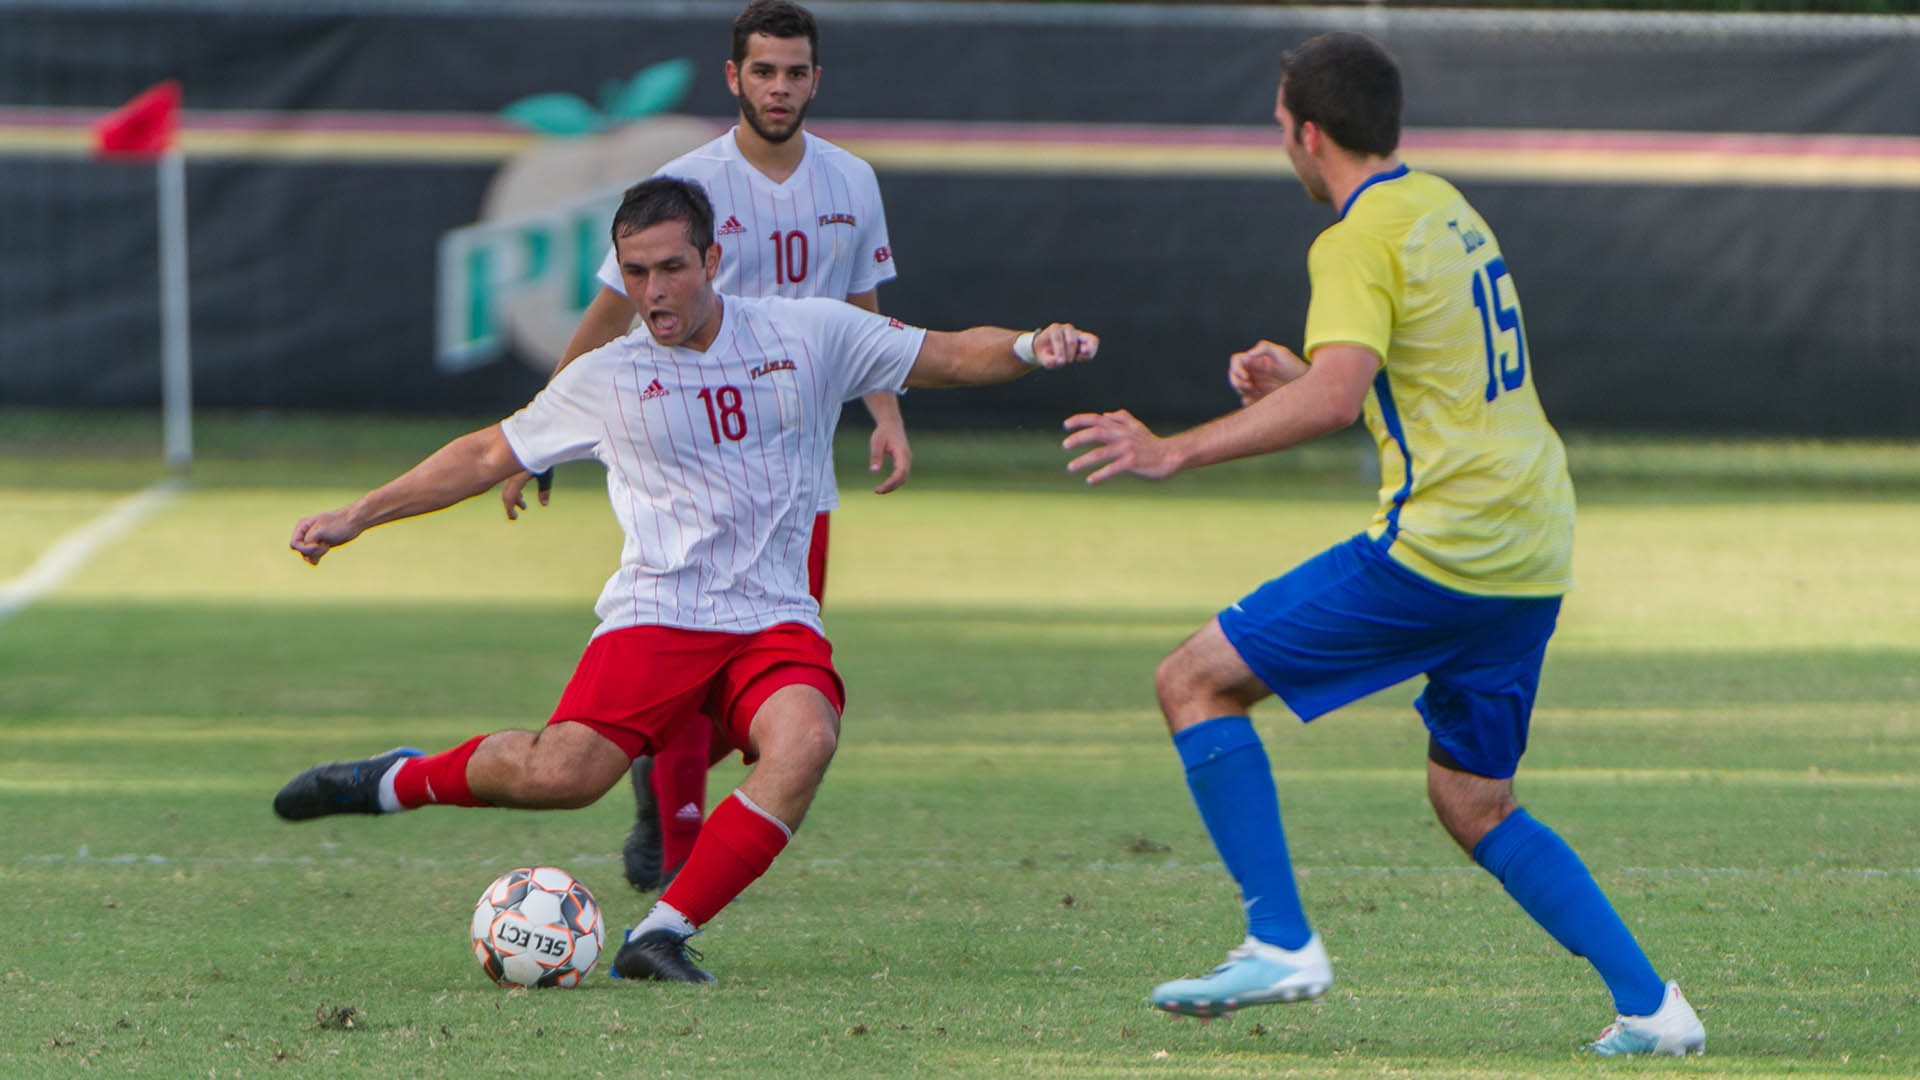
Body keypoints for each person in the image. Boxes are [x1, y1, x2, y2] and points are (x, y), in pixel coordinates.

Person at [276, 176, 1097, 984]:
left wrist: (1031, 346)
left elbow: (950, 354)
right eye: (634, 272)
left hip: (773, 615)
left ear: (712, 259)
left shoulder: (807, 332)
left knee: (807, 736)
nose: (652, 290)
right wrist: (361, 514)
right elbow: (488, 453)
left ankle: (661, 932)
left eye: (671, 267)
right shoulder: (610, 375)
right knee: (560, 778)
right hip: (659, 613)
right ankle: (395, 780)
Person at [1060, 32, 1703, 1057]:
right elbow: (1426, 377)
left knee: (1194, 680)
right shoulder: (1443, 204)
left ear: (1310, 133)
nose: (1282, 142)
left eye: (1280, 126)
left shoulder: (1353, 238)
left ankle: (1279, 940)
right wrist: (1311, 375)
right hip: (1532, 545)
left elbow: (1343, 390)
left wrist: (1173, 452)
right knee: (1472, 798)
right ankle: (1652, 1007)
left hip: (1448, 551)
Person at [498, 0, 908, 896]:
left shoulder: (853, 182)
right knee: (690, 640)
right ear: (734, 78)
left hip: (795, 479)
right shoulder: (688, 182)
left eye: (795, 71)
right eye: (763, 70)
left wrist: (886, 410)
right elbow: (611, 315)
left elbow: (863, 315)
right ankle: (673, 850)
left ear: (815, 80)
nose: (779, 86)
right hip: (690, 463)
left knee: (774, 666)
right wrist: (539, 435)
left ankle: (657, 765)